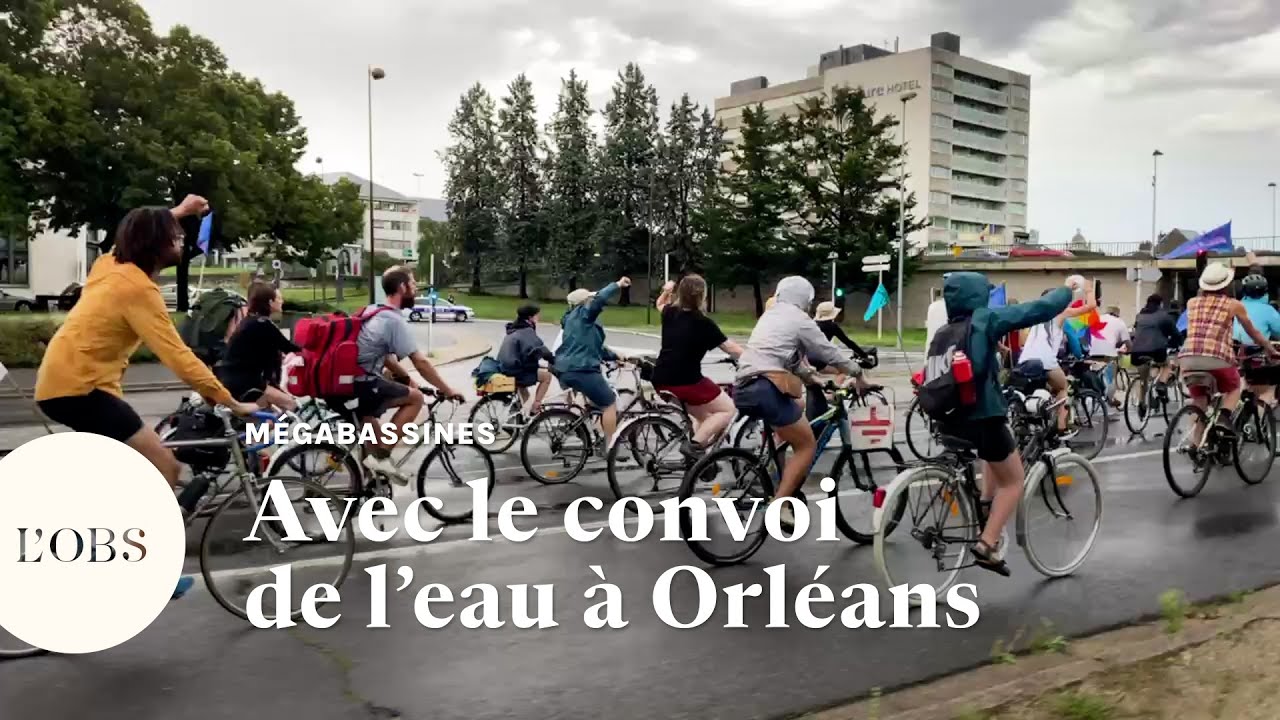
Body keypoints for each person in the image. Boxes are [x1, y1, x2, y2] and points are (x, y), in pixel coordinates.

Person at [34, 196, 259, 601]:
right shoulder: (138, 290)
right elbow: (177, 355)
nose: (181, 239)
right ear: (156, 244)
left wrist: (180, 211)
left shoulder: (110, 268)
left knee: (118, 480)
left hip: (65, 384)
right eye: (174, 235)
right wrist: (229, 400)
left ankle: (94, 549)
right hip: (81, 388)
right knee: (166, 467)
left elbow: (132, 234)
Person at [935, 272, 1076, 576]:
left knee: (994, 451)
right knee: (1014, 480)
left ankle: (986, 504)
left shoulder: (946, 331)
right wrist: (1066, 291)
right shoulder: (984, 319)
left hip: (948, 418)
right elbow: (1034, 310)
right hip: (981, 415)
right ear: (978, 297)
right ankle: (987, 544)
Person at [733, 276, 863, 529]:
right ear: (805, 300)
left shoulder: (769, 316)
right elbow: (828, 352)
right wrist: (857, 371)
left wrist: (813, 379)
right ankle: (780, 503)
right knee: (806, 445)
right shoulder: (800, 319)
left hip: (744, 388)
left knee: (789, 430)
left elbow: (789, 360)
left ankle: (777, 477)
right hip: (766, 388)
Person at [354, 269, 464, 483]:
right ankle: (382, 458)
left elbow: (386, 358)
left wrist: (407, 380)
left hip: (348, 384)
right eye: (413, 284)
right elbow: (421, 362)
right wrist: (448, 390)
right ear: (402, 287)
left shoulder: (374, 310)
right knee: (416, 399)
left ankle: (364, 486)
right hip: (361, 384)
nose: (415, 289)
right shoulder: (393, 320)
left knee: (371, 432)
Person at [1180, 263, 1279, 439]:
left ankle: (1195, 446)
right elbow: (1254, 333)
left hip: (1188, 359)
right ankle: (1224, 419)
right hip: (1217, 357)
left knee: (1200, 401)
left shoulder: (1192, 303)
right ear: (1227, 284)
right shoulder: (1233, 305)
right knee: (1234, 388)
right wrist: (1270, 349)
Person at [652, 275, 744, 457]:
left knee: (704, 417)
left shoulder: (670, 313)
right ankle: (694, 447)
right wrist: (756, 358)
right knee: (728, 409)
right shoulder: (703, 323)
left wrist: (666, 291)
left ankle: (698, 461)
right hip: (686, 381)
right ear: (702, 296)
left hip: (660, 378)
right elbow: (730, 347)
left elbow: (659, 304)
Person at [554, 277, 632, 446]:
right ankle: (611, 446)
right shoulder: (585, 315)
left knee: (594, 402)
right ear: (584, 302)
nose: (592, 300)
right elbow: (600, 299)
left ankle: (593, 432)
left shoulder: (570, 320)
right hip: (582, 369)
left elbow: (593, 347)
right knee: (609, 402)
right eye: (589, 298)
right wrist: (617, 285)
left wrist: (615, 356)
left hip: (565, 369)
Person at [1016, 276, 1097, 434]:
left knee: (1037, 391)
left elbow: (1022, 341)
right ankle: (1062, 427)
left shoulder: (1035, 314)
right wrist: (1088, 289)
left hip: (1025, 359)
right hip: (1046, 360)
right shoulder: (1060, 313)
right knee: (1063, 387)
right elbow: (1091, 306)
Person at [214, 282, 299, 411]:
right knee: (290, 404)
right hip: (245, 382)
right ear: (270, 302)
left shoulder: (250, 321)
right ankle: (268, 430)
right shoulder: (263, 324)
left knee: (270, 410)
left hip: (232, 379)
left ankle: (265, 429)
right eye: (279, 298)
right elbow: (289, 348)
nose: (282, 301)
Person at [497, 304, 554, 413]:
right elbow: (540, 349)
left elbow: (526, 352)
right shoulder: (527, 331)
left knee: (525, 395)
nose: (539, 317)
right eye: (537, 315)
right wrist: (553, 360)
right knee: (547, 377)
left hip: (506, 367)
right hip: (516, 370)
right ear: (530, 317)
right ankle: (536, 407)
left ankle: (521, 417)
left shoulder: (514, 329)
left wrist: (538, 364)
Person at [1234, 273, 1280, 406]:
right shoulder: (1268, 310)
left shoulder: (1236, 305)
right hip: (1257, 354)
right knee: (1268, 389)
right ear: (1265, 291)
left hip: (1235, 354)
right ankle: (1260, 415)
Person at [1130, 294, 1181, 400]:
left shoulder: (1140, 316)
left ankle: (1142, 402)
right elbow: (1175, 334)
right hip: (1156, 350)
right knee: (1166, 365)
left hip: (1136, 351)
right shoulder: (1163, 316)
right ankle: (1161, 384)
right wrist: (1175, 343)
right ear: (1160, 304)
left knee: (1143, 379)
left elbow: (1136, 330)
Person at [1089, 305, 1131, 407]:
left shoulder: (1097, 319)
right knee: (1111, 374)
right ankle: (1110, 398)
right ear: (1117, 314)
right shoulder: (1119, 322)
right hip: (1107, 352)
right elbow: (1127, 342)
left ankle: (1096, 389)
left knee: (1095, 370)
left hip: (1091, 351)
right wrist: (1129, 351)